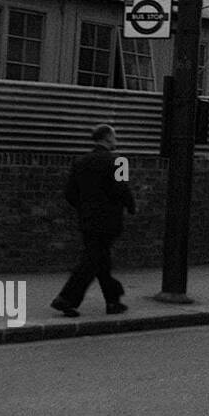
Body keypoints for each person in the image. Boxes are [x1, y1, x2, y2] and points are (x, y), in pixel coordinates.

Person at [51, 123, 136, 318]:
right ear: (107, 138)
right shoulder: (119, 162)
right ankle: (66, 299)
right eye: (114, 137)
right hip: (109, 221)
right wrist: (131, 207)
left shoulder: (80, 162)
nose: (116, 141)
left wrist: (84, 208)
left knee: (100, 259)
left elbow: (70, 193)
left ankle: (113, 301)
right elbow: (123, 189)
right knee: (92, 261)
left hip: (87, 220)